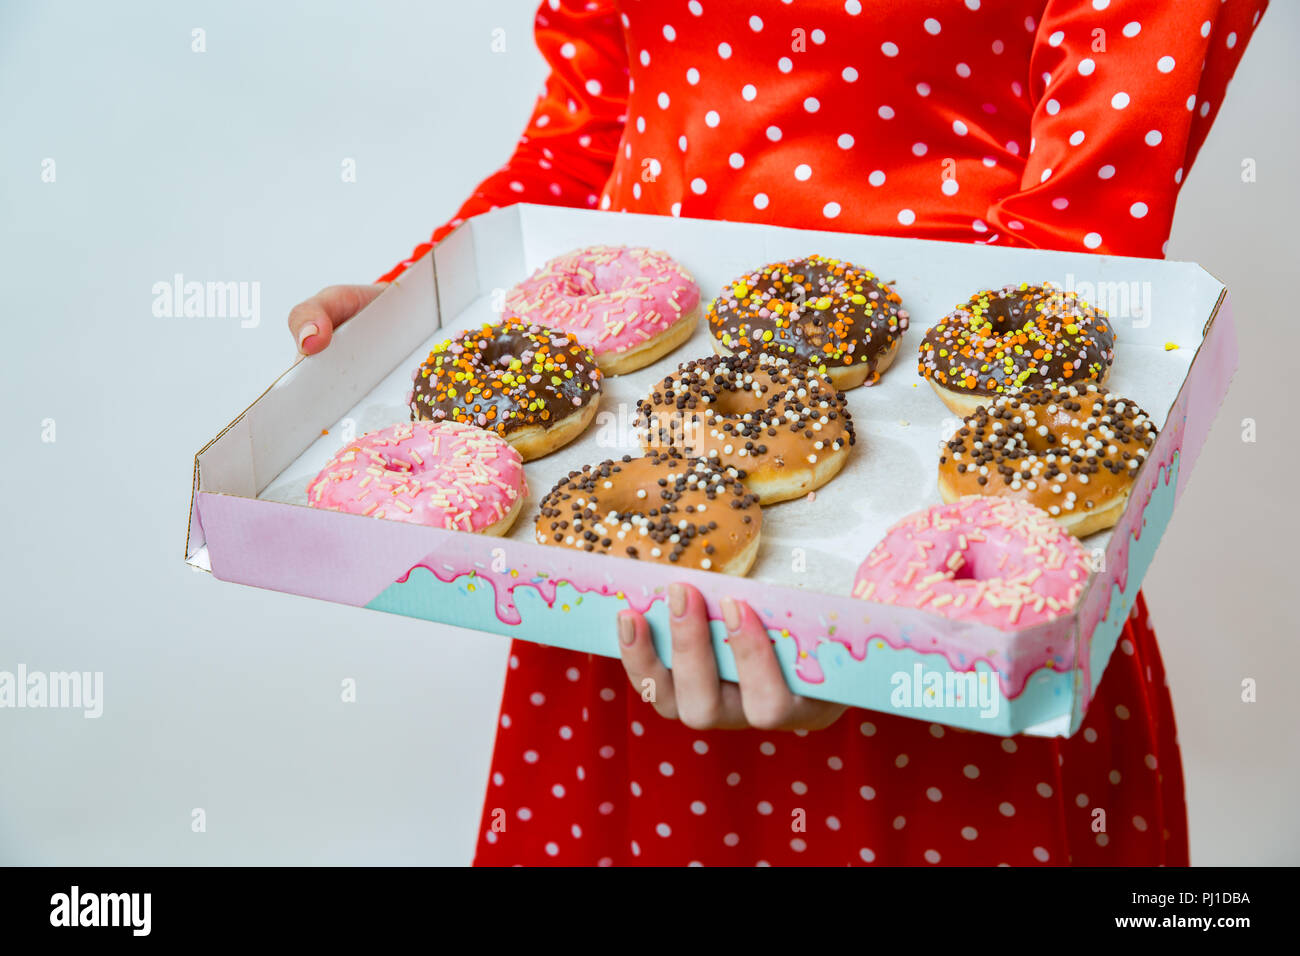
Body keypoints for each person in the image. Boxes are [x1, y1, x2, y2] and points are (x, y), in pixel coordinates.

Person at [287, 0, 1265, 865]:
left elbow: (1082, 235)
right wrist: (427, 296)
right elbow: (585, 138)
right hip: (626, 572)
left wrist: (871, 638)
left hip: (960, 563)